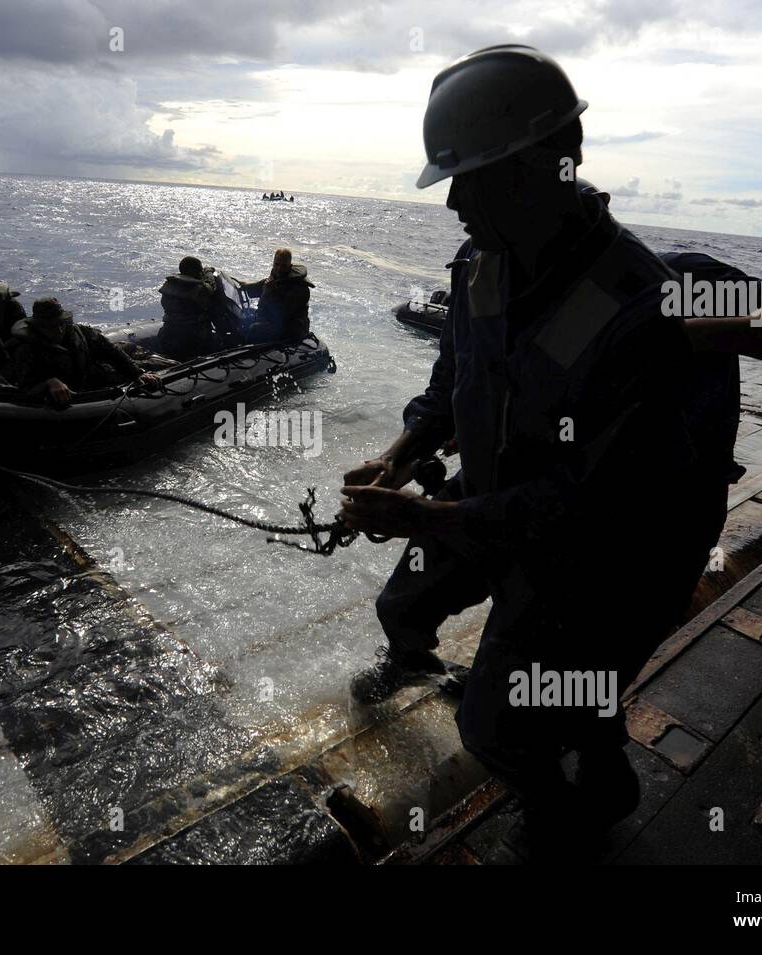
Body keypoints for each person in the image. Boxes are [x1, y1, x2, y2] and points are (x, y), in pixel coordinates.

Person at [338, 44, 720, 861]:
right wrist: (401, 456)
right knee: (399, 606)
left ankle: (576, 793)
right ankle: (461, 678)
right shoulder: (482, 264)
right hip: (491, 497)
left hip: (597, 554)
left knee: (501, 727)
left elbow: (579, 504)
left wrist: (428, 517)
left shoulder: (637, 309)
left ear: (551, 165)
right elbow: (452, 386)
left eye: (477, 177)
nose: (456, 201)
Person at [0, 297, 160, 406]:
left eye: (61, 323)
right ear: (38, 326)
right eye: (52, 326)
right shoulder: (26, 349)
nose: (59, 330)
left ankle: (166, 363)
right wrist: (48, 382)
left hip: (97, 372)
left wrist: (137, 373)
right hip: (80, 388)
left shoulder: (79, 332)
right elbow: (24, 389)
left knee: (147, 367)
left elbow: (111, 352)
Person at [243, 248, 313, 342]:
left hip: (290, 328)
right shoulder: (274, 280)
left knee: (254, 329)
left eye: (283, 266)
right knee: (243, 317)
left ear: (290, 266)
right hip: (273, 322)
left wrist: (271, 291)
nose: (279, 269)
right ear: (273, 263)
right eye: (277, 264)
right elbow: (253, 288)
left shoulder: (299, 288)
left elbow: (283, 313)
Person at [157, 256, 219, 359]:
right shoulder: (199, 289)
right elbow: (211, 285)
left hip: (168, 333)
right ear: (196, 272)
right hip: (192, 337)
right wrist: (208, 271)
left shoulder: (170, 284)